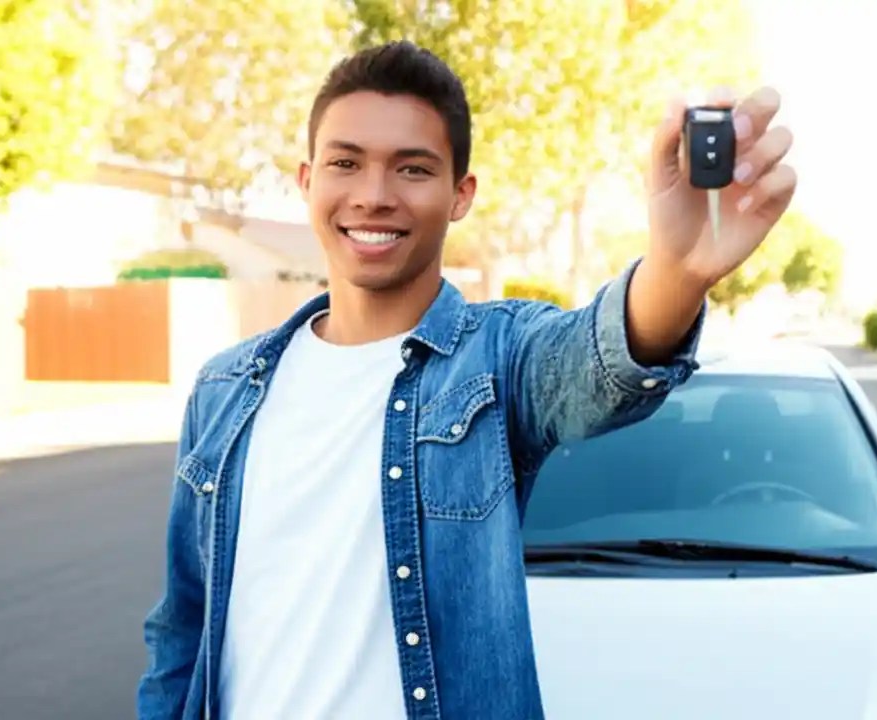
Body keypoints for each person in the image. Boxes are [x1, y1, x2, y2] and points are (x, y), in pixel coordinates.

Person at [136, 40, 796, 720]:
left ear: (460, 195)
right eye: (345, 163)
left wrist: (677, 272)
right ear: (307, 181)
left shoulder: (497, 361)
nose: (373, 195)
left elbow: (596, 364)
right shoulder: (225, 388)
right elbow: (182, 628)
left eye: (412, 169)